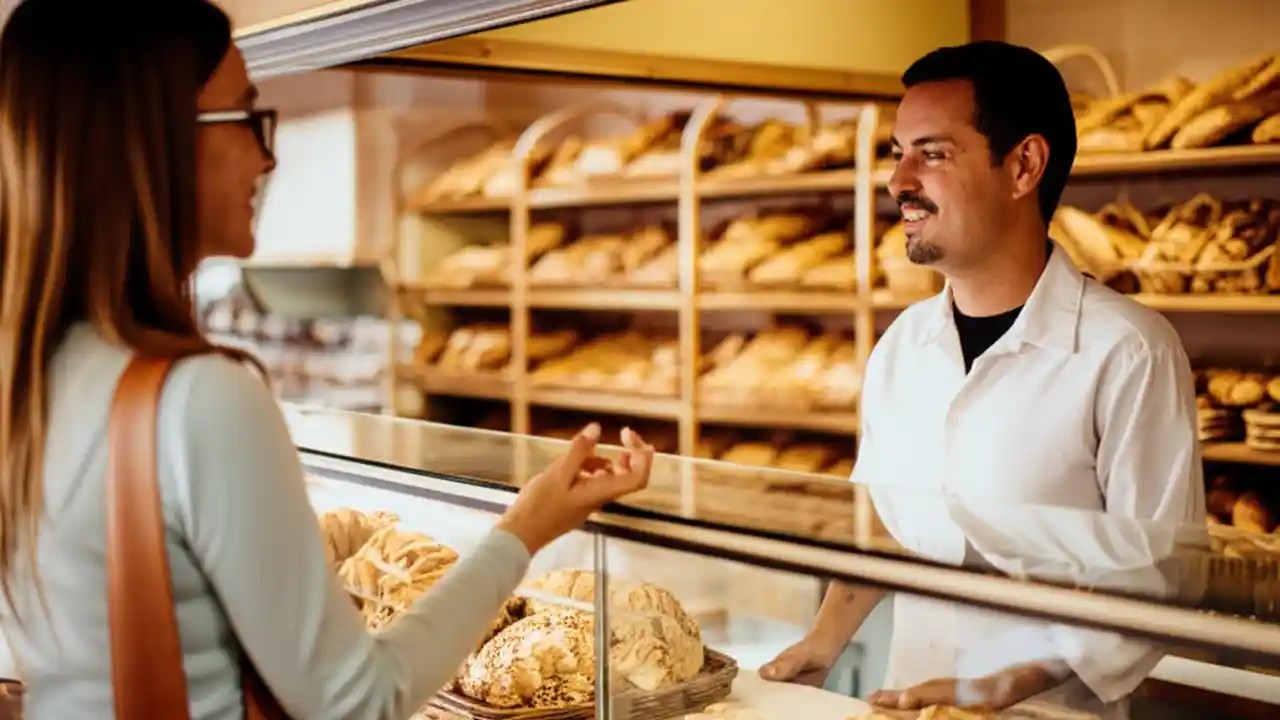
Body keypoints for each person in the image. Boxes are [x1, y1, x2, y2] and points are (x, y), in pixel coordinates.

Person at [0, 2, 654, 718]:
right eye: (248, 117)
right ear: (156, 141)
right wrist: (521, 534)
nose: (266, 156)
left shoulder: (24, 372)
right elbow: (358, 702)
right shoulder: (195, 398)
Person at [760, 41, 1203, 715]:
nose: (898, 181)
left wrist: (1000, 682)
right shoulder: (903, 345)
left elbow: (1160, 576)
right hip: (907, 705)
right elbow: (882, 526)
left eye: (931, 154)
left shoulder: (1128, 351)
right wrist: (821, 644)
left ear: (1024, 164)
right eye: (896, 153)